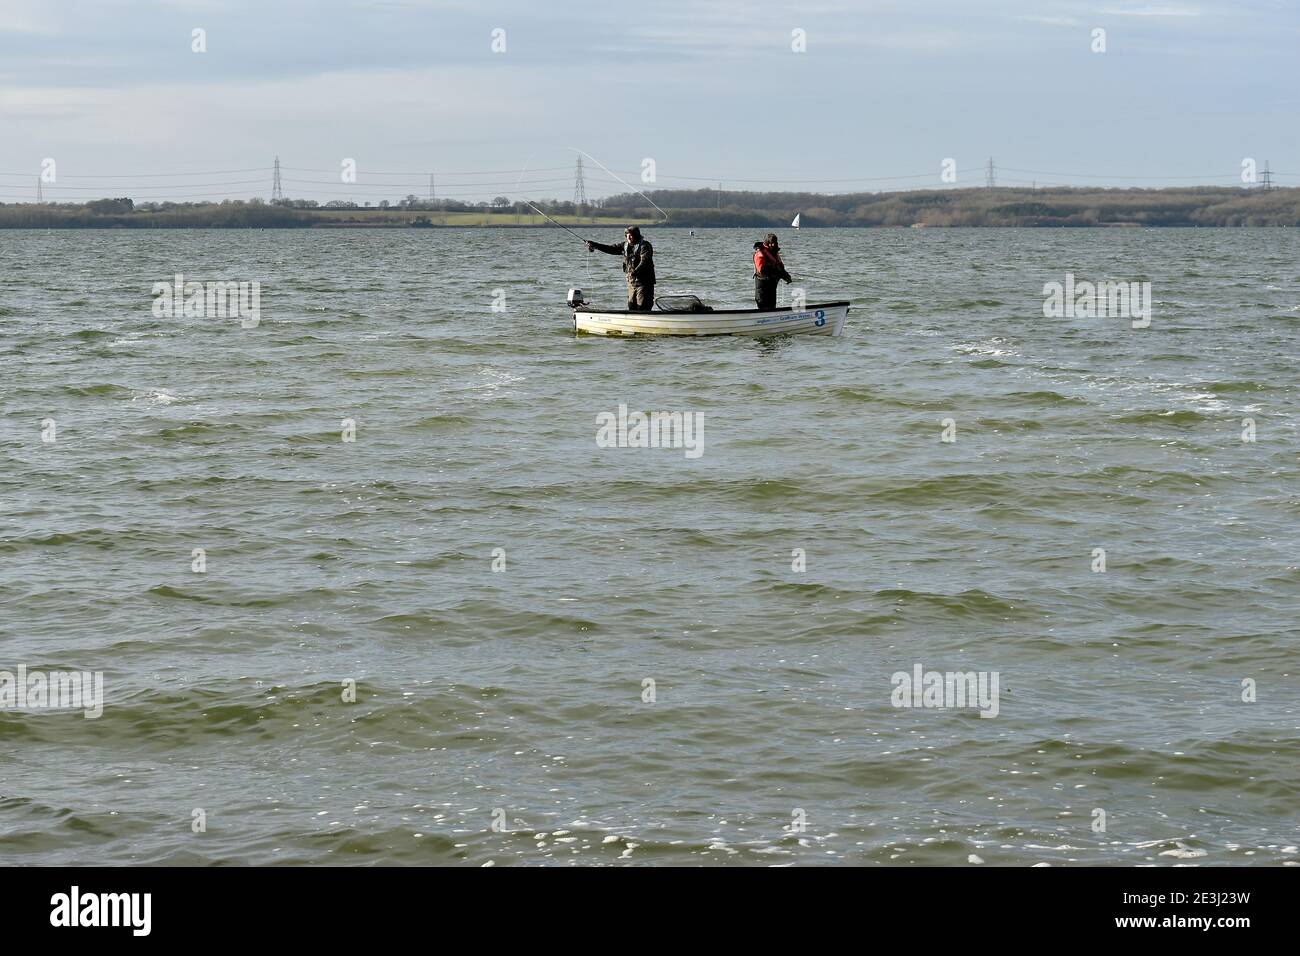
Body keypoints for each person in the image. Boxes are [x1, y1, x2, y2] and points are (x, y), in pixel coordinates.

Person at [587, 227, 655, 311]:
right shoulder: (624, 245)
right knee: (631, 307)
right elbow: (610, 249)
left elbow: (645, 261)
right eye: (627, 235)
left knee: (643, 307)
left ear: (636, 236)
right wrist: (595, 245)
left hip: (645, 283)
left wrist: (635, 272)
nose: (628, 237)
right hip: (632, 283)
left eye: (631, 235)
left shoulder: (645, 246)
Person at [752, 233, 792, 309]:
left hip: (772, 287)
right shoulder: (760, 253)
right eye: (772, 243)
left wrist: (786, 276)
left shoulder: (774, 252)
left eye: (775, 242)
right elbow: (762, 270)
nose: (773, 244)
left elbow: (780, 268)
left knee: (772, 307)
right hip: (763, 288)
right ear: (767, 243)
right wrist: (776, 270)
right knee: (763, 307)